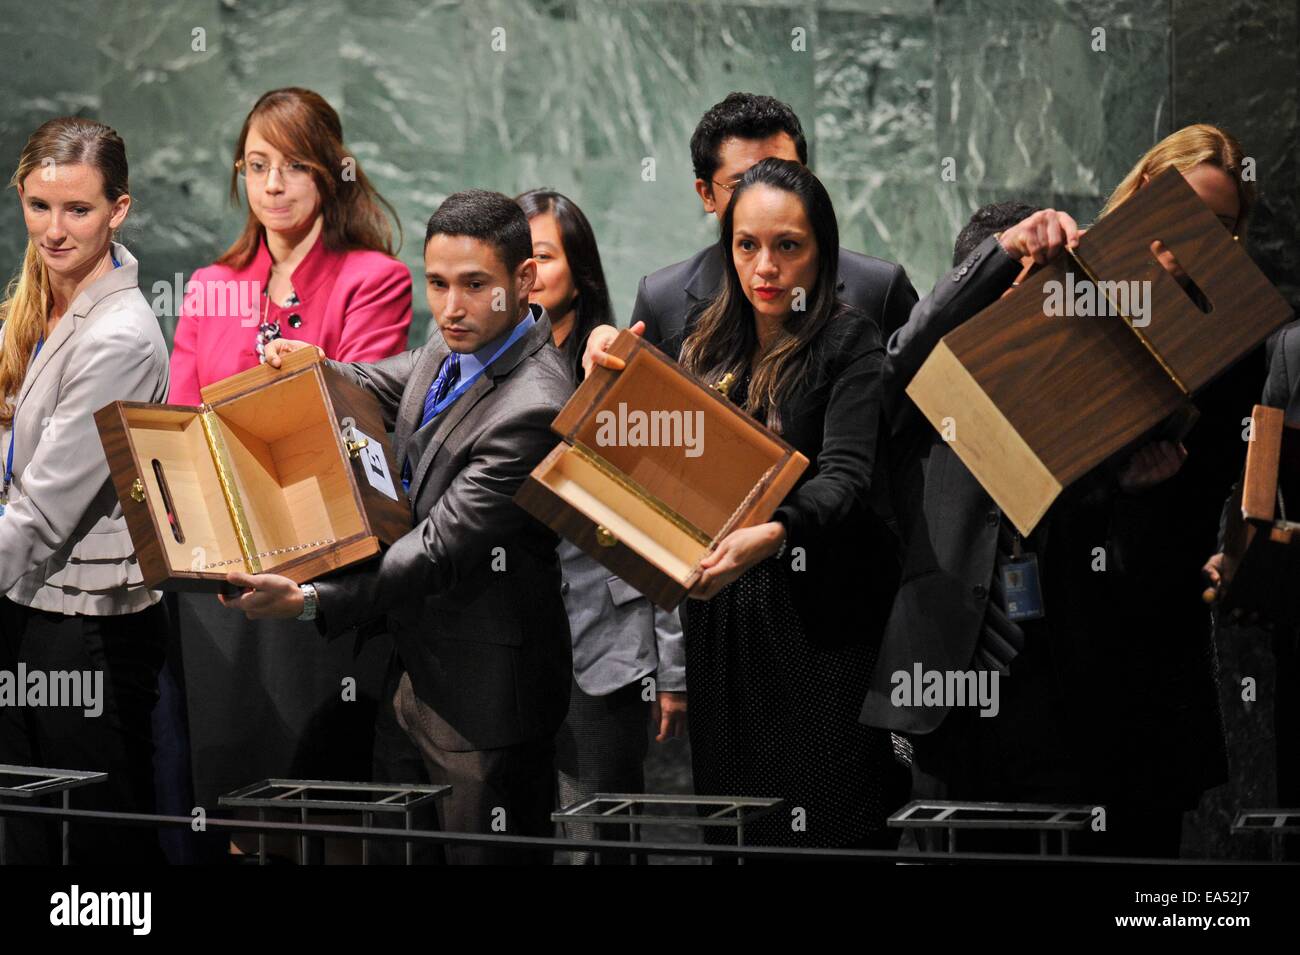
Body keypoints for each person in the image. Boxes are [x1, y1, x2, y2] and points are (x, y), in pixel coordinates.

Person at [867, 125, 1249, 858]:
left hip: (1099, 684)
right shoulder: (1038, 287)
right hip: (961, 673)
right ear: (1144, 193)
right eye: (1184, 211)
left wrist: (1123, 489)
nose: (1197, 239)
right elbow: (898, 376)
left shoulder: (1221, 350)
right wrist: (1002, 255)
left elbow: (1175, 531)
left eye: (1221, 226)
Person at [221, 189, 573, 865]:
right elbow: (374, 381)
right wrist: (311, 365)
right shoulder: (450, 345)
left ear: (524, 280)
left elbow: (437, 550)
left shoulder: (535, 404)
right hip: (411, 676)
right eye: (437, 283)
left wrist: (312, 600)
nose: (451, 306)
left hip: (484, 704)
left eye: (475, 285)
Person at [594, 158, 904, 850]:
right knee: (737, 826)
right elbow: (664, 459)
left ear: (821, 250)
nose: (766, 267)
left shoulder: (848, 339)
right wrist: (610, 377)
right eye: (747, 245)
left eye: (788, 246)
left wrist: (773, 532)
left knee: (830, 825)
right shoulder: (703, 337)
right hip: (723, 618)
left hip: (817, 615)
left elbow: (845, 478)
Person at [164, 88, 412, 860]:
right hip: (222, 569)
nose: (272, 185)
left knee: (323, 804)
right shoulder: (210, 283)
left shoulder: (375, 276)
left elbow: (354, 412)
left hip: (318, 560)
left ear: (332, 172)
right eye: (256, 165)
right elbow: (183, 418)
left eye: (295, 165)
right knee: (237, 796)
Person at [0, 117, 170, 863]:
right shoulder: (38, 303)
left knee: (101, 854)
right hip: (25, 604)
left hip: (88, 628)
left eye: (78, 209)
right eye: (39, 206)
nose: (54, 229)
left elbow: (42, 511)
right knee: (30, 837)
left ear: (118, 209)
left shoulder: (119, 335)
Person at [517, 188, 687, 862]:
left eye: (543, 256)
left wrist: (671, 670)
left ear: (581, 272)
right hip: (517, 642)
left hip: (609, 648)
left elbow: (660, 525)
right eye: (516, 257)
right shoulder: (485, 371)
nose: (527, 272)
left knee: (606, 838)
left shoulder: (616, 367)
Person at [583, 92, 918, 367]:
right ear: (706, 194)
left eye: (783, 173)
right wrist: (605, 352)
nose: (764, 194)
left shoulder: (878, 289)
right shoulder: (663, 299)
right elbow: (646, 415)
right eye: (742, 183)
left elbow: (918, 414)